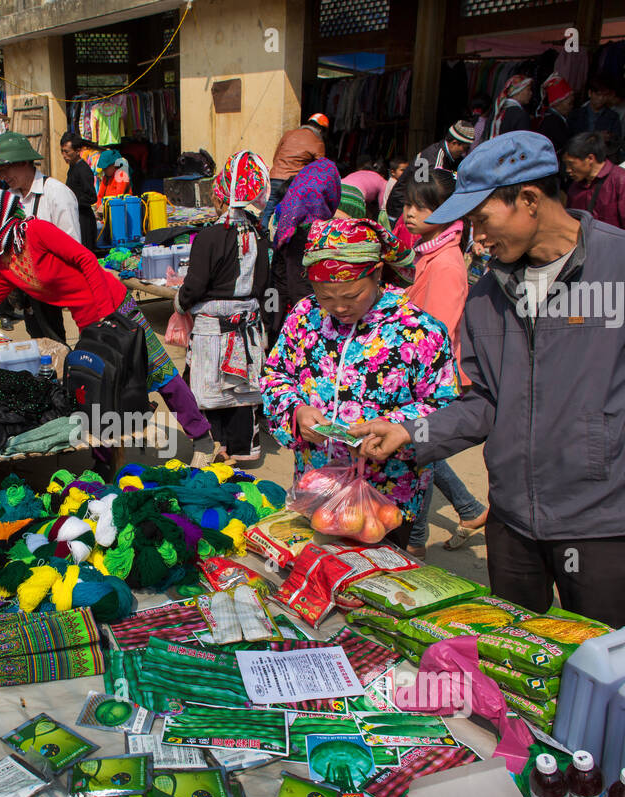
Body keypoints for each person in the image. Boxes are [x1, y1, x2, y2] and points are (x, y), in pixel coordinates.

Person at [350, 132, 625, 628]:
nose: (476, 236)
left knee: (602, 661)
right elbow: (484, 401)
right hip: (514, 518)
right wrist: (413, 432)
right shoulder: (488, 295)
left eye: (481, 219)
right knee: (516, 656)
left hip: (606, 520)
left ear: (529, 200)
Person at [0, 183, 220, 465]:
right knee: (99, 389)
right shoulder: (6, 264)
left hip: (114, 307)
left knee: (160, 371)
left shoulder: (36, 232)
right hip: (88, 321)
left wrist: (104, 315)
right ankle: (104, 460)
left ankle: (202, 439)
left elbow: (87, 260)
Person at [260, 218, 458, 548]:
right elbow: (275, 375)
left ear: (378, 272)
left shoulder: (420, 330)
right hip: (316, 485)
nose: (339, 307)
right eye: (326, 296)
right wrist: (296, 410)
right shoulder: (304, 316)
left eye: (352, 295)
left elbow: (445, 406)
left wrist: (394, 427)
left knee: (378, 581)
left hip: (387, 495)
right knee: (318, 575)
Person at [401, 169, 487, 556]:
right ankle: (469, 509)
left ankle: (415, 542)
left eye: (422, 207)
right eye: (407, 205)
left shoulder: (447, 264)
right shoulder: (430, 253)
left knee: (419, 449)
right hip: (422, 372)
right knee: (419, 444)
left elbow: (435, 332)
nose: (410, 214)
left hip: (431, 376)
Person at [177, 151, 272, 462]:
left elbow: (194, 286)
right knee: (240, 391)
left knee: (210, 390)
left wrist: (180, 303)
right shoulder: (258, 235)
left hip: (213, 331)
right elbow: (261, 284)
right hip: (247, 326)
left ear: (220, 197)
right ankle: (242, 449)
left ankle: (215, 448)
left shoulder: (209, 237)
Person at [0, 131, 81, 344]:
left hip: (53, 285)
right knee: (36, 339)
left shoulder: (57, 194)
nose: (3, 176)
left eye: (6, 169)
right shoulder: (11, 197)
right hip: (27, 287)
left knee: (55, 340)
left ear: (24, 163)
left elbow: (74, 247)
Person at [267, 158, 341, 343]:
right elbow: (299, 291)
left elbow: (280, 286)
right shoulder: (318, 234)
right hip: (305, 330)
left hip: (286, 323)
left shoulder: (287, 228)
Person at [384, 121, 474, 223]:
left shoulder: (452, 158)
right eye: (465, 148)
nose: (465, 152)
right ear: (454, 143)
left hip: (416, 205)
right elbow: (432, 191)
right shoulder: (435, 159)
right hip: (402, 208)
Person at [563, 132, 625, 236]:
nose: (568, 170)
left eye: (571, 164)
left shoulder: (624, 181)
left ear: (590, 158)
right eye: (566, 165)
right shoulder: (575, 187)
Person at [266, 114, 328, 218]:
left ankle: (261, 232)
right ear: (321, 130)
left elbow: (276, 156)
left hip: (275, 177)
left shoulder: (289, 134)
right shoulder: (318, 142)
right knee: (291, 217)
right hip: (294, 182)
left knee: (267, 212)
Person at [61, 132, 100, 251]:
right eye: (62, 151)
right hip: (76, 218)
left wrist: (72, 199)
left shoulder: (83, 169)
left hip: (84, 221)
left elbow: (92, 197)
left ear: (77, 151)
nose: (64, 155)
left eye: (67, 152)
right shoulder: (73, 168)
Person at [569, 76, 623, 154]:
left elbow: (616, 143)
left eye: (604, 95)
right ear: (590, 93)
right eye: (598, 95)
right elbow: (570, 140)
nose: (601, 98)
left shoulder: (613, 117)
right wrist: (596, 137)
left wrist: (609, 138)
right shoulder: (576, 115)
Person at [535, 74, 575, 156]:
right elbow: (567, 144)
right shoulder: (553, 121)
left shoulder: (553, 118)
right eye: (569, 104)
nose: (572, 107)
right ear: (557, 103)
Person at [341, 156, 388, 220]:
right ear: (383, 175)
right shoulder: (382, 181)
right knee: (355, 224)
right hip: (355, 194)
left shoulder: (357, 173)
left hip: (337, 189)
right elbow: (382, 207)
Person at [489, 76, 533, 140]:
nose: (531, 93)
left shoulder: (497, 111)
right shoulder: (520, 115)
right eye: (528, 90)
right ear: (518, 92)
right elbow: (523, 143)